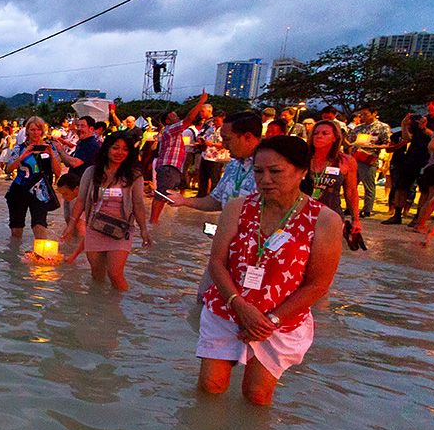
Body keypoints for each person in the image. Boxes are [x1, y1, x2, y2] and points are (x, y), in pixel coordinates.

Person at [196, 135, 342, 405]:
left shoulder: (325, 220)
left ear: (301, 171)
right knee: (210, 386)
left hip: (279, 322)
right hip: (227, 308)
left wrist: (270, 321)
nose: (265, 179)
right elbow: (217, 262)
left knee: (257, 396)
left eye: (275, 171)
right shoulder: (237, 208)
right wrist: (239, 305)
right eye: (259, 171)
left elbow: (318, 284)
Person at [69, 131, 150, 291]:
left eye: (125, 149)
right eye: (115, 148)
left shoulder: (134, 176)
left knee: (115, 273)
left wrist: (144, 230)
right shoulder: (92, 172)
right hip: (95, 227)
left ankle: (119, 309)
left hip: (122, 229)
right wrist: (71, 224)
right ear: (107, 149)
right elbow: (81, 199)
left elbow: (138, 204)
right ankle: (101, 310)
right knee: (97, 275)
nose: (120, 153)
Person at [150, 90, 208, 223]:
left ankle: (155, 220)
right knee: (161, 194)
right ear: (168, 120)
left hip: (170, 167)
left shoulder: (170, 132)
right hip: (168, 166)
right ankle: (153, 221)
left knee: (163, 193)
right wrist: (201, 102)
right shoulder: (170, 129)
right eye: (175, 115)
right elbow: (188, 119)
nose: (178, 117)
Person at [5, 116, 62, 240]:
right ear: (27, 131)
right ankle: (13, 256)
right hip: (19, 190)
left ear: (43, 131)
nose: (36, 133)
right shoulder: (19, 147)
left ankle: (39, 256)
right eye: (32, 130)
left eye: (38, 129)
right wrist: (22, 157)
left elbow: (58, 172)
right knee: (16, 228)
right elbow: (8, 169)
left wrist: (52, 155)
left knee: (40, 226)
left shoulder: (50, 148)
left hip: (41, 192)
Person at [301, 120, 360, 230]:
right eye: (315, 133)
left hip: (331, 214)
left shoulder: (346, 161)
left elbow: (351, 191)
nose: (319, 136)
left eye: (324, 133)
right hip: (302, 214)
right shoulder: (302, 158)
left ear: (335, 137)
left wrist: (355, 219)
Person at [349, 107, 390, 218]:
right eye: (361, 115)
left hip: (369, 158)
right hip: (355, 157)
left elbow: (387, 144)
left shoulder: (382, 127)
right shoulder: (358, 128)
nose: (363, 117)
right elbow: (350, 141)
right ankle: (350, 207)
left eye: (366, 114)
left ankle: (367, 208)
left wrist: (374, 146)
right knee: (351, 185)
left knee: (368, 185)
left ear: (374, 113)